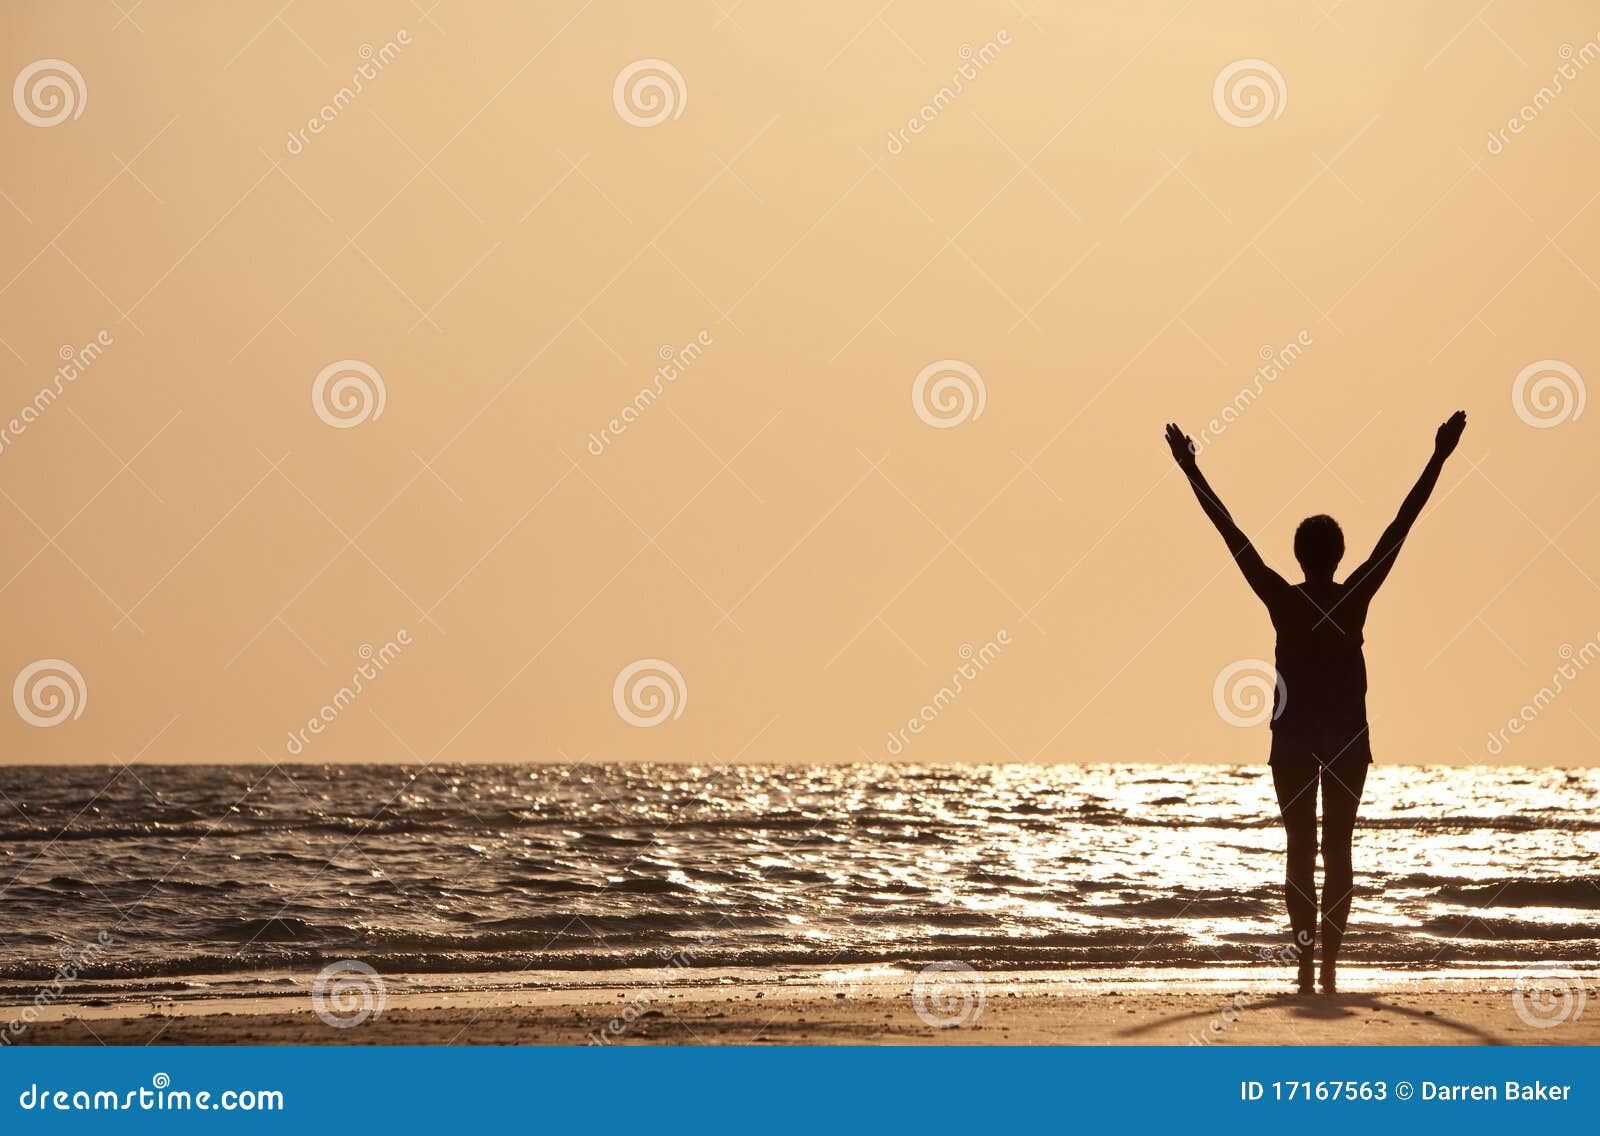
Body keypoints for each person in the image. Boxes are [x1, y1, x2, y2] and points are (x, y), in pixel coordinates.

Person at [1163, 411, 1466, 993]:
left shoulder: (1283, 598)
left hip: (1298, 736)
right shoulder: (1354, 596)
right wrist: (1439, 456)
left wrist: (1191, 469)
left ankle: (1307, 962)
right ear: (1338, 553)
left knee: (1301, 848)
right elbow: (1402, 524)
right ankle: (1326, 962)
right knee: (1339, 848)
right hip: (1344, 734)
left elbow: (1233, 537)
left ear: (1301, 555)